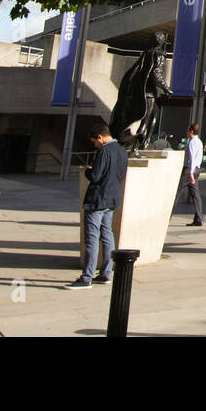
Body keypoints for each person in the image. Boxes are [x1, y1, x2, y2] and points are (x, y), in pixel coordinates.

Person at [67, 122, 128, 289]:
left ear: (100, 137)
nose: (94, 144)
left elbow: (95, 176)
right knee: (107, 234)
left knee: (92, 238)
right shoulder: (122, 151)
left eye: (95, 141)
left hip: (97, 199)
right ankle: (106, 272)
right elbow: (121, 174)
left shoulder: (104, 151)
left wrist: (86, 170)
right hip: (112, 197)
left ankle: (87, 277)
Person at [176, 122, 204, 226]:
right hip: (197, 169)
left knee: (177, 192)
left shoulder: (192, 142)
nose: (187, 131)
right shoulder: (199, 142)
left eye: (188, 130)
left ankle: (167, 216)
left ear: (191, 131)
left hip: (189, 170)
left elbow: (191, 158)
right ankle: (199, 218)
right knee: (196, 195)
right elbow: (198, 158)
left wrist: (191, 173)